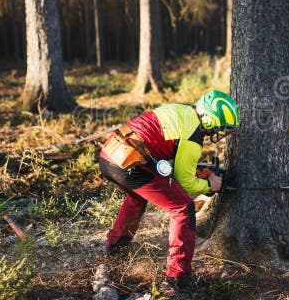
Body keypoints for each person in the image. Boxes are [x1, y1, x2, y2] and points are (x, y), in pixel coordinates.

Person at [99, 90, 239, 287]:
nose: (218, 132)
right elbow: (185, 183)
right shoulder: (194, 134)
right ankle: (179, 276)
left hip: (109, 156)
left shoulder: (181, 110)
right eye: (219, 127)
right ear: (208, 119)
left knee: (137, 198)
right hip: (130, 163)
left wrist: (198, 172)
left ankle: (115, 249)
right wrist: (210, 185)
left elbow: (162, 153)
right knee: (182, 208)